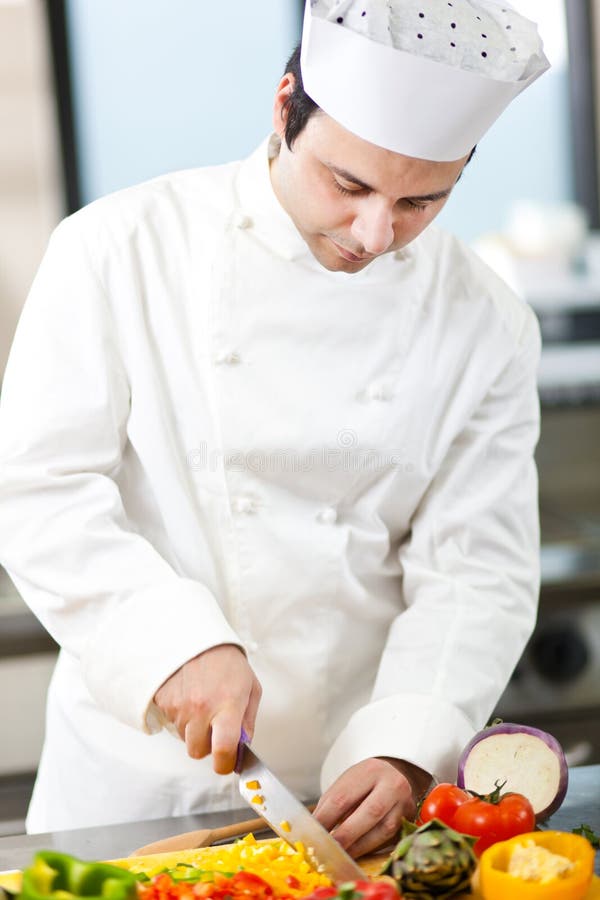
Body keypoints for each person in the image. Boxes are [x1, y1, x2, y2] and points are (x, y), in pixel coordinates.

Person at [0, 0, 549, 855]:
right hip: (131, 780)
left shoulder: (489, 321)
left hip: (346, 792)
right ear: (284, 103)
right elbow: (37, 490)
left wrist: (404, 745)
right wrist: (169, 642)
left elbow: (478, 572)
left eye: (422, 200)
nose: (376, 233)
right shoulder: (117, 249)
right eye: (350, 184)